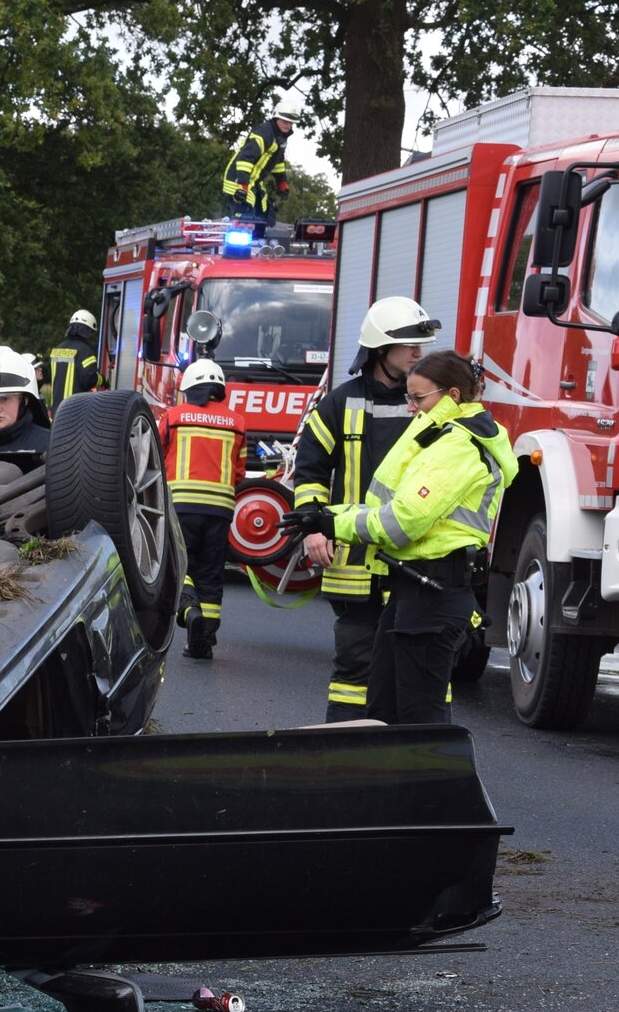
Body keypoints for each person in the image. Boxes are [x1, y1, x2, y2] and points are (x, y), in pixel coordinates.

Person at [283, 351, 514, 722]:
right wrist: (327, 515)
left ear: (452, 395)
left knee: (418, 717)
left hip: (434, 591)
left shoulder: (458, 447)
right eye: (410, 397)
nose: (410, 407)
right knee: (385, 708)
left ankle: (430, 764)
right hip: (416, 589)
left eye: (418, 398)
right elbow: (391, 508)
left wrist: (333, 525)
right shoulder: (441, 437)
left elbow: (402, 523)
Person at [291, 296, 441, 719]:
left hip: (414, 558)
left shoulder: (431, 404)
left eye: (421, 343)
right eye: (409, 344)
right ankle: (345, 747)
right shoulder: (339, 403)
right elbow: (310, 471)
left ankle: (412, 750)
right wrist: (314, 528)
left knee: (420, 668)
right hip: (355, 560)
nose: (418, 352)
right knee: (355, 667)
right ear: (381, 347)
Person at [160, 360, 247, 661]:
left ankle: (188, 609)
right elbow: (239, 472)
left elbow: (155, 457)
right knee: (211, 573)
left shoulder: (173, 417)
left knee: (177, 565)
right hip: (220, 510)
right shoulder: (237, 423)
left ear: (189, 389)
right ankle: (204, 641)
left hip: (180, 507)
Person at [221, 94, 305, 226]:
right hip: (237, 181)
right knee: (246, 219)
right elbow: (245, 159)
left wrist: (282, 183)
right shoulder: (264, 133)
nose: (288, 125)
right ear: (276, 118)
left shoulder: (280, 138)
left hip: (253, 181)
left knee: (265, 214)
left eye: (291, 122)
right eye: (285, 121)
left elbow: (278, 163)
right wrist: (242, 186)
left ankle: (261, 237)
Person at [47, 310, 102, 414]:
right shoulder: (85, 351)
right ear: (87, 330)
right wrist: (102, 379)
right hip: (74, 411)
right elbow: (89, 379)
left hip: (57, 410)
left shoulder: (56, 350)